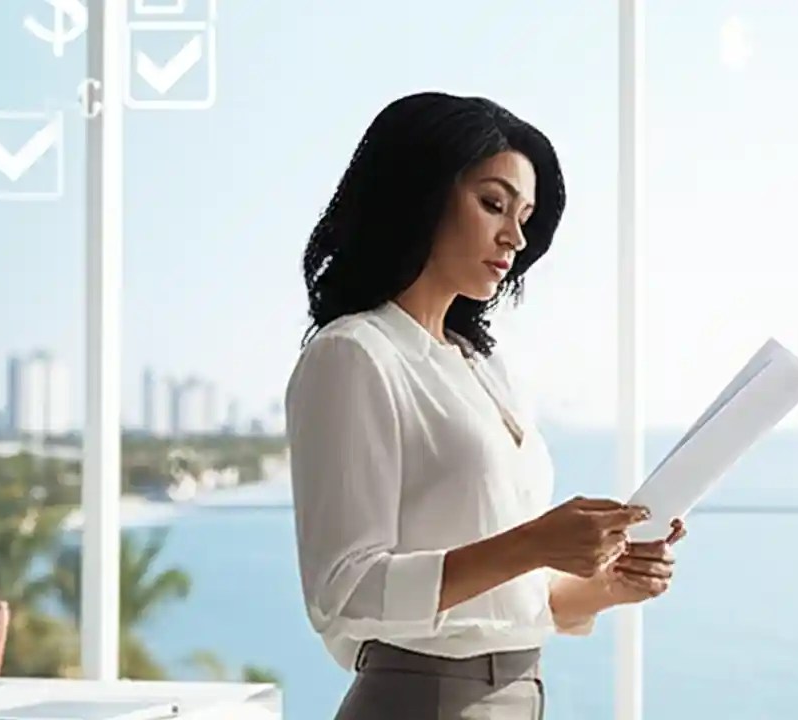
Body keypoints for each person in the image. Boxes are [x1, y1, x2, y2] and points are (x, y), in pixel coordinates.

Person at [284, 90, 688, 719]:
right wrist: (534, 543)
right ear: (419, 193)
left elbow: (509, 605)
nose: (516, 237)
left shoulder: (482, 366)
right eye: (493, 203)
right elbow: (346, 591)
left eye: (525, 215)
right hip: (422, 700)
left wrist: (604, 584)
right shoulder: (355, 354)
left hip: (519, 694)